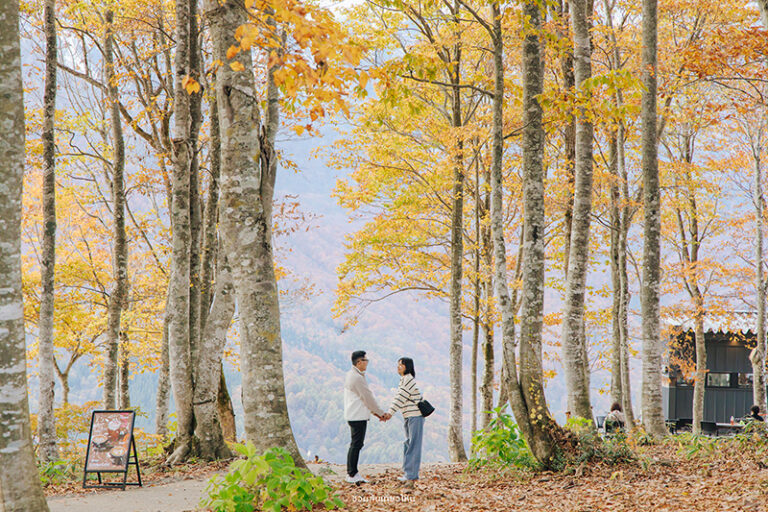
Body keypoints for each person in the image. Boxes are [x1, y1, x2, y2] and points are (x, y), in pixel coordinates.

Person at [344, 350, 389, 484]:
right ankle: (352, 474)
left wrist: (376, 413)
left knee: (356, 444)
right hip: (357, 415)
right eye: (365, 360)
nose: (367, 363)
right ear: (359, 362)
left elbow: (364, 399)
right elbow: (367, 398)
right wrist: (381, 413)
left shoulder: (353, 375)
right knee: (356, 444)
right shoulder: (356, 378)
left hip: (354, 414)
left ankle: (352, 473)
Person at [383, 357, 424, 490]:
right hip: (408, 416)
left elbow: (400, 398)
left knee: (413, 445)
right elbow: (399, 397)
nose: (398, 367)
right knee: (408, 444)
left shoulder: (408, 380)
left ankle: (411, 476)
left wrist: (390, 412)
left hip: (415, 416)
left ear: (407, 367)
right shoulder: (404, 380)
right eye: (398, 364)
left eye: (401, 365)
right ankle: (408, 473)